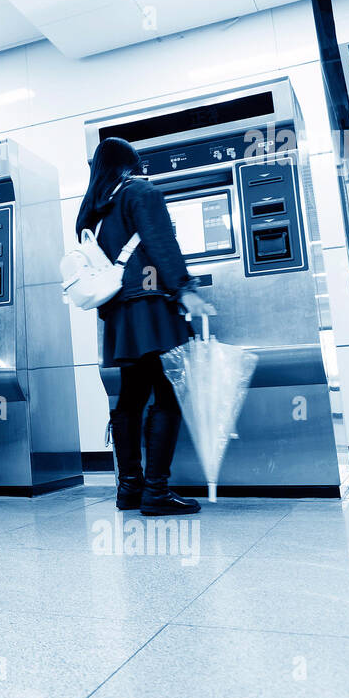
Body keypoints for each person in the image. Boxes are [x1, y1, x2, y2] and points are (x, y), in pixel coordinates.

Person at [76, 137, 217, 516]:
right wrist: (184, 289)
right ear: (131, 162)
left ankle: (129, 488)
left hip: (120, 311)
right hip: (150, 305)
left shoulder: (93, 209)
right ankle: (156, 492)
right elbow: (160, 242)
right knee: (168, 394)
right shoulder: (140, 191)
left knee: (132, 397)